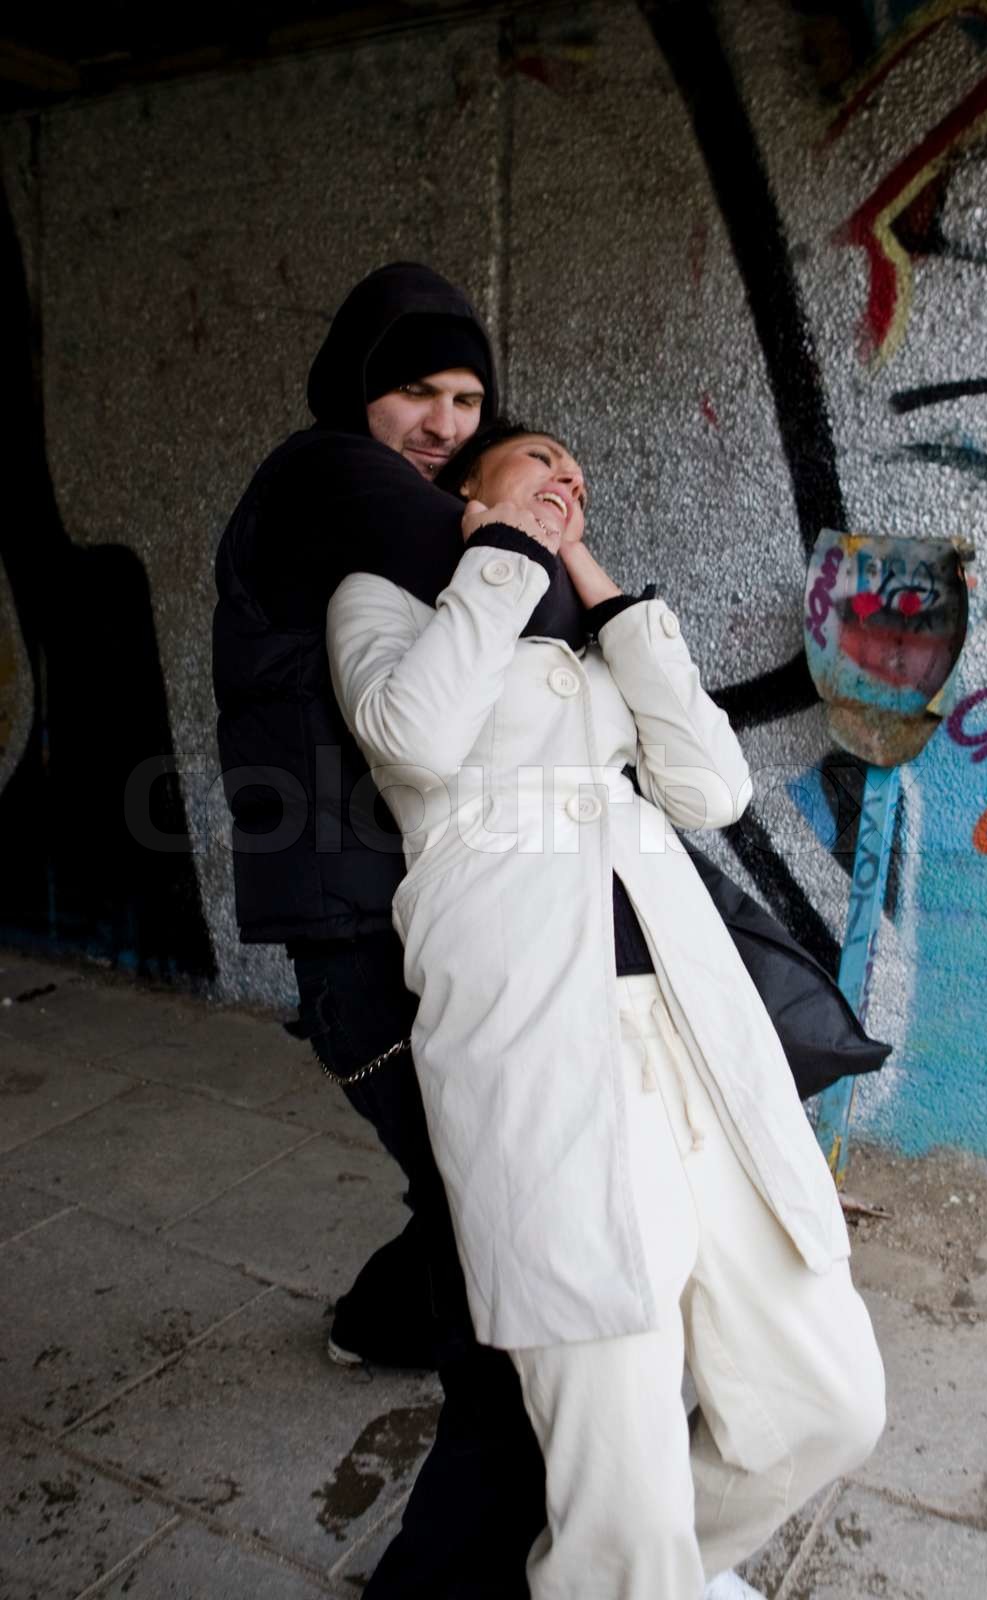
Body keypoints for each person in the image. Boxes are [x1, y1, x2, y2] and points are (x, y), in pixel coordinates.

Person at [325, 421, 887, 1600]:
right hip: (541, 1045)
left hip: (690, 1039)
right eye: (534, 460)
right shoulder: (391, 605)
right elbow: (410, 740)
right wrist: (503, 560)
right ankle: (633, 1579)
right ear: (463, 493)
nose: (566, 474)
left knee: (824, 1405)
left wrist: (602, 593)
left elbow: (711, 787)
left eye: (578, 466)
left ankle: (653, 1579)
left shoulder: (596, 646)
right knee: (617, 1467)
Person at [213, 264, 562, 1598]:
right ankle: (443, 1576)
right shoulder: (325, 475)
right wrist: (533, 529)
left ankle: (372, 1318)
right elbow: (528, 598)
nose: (438, 418)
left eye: (465, 395)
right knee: (503, 1278)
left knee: (459, 1175)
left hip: (396, 927)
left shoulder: (373, 502)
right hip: (365, 941)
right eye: (414, 388)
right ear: (359, 384)